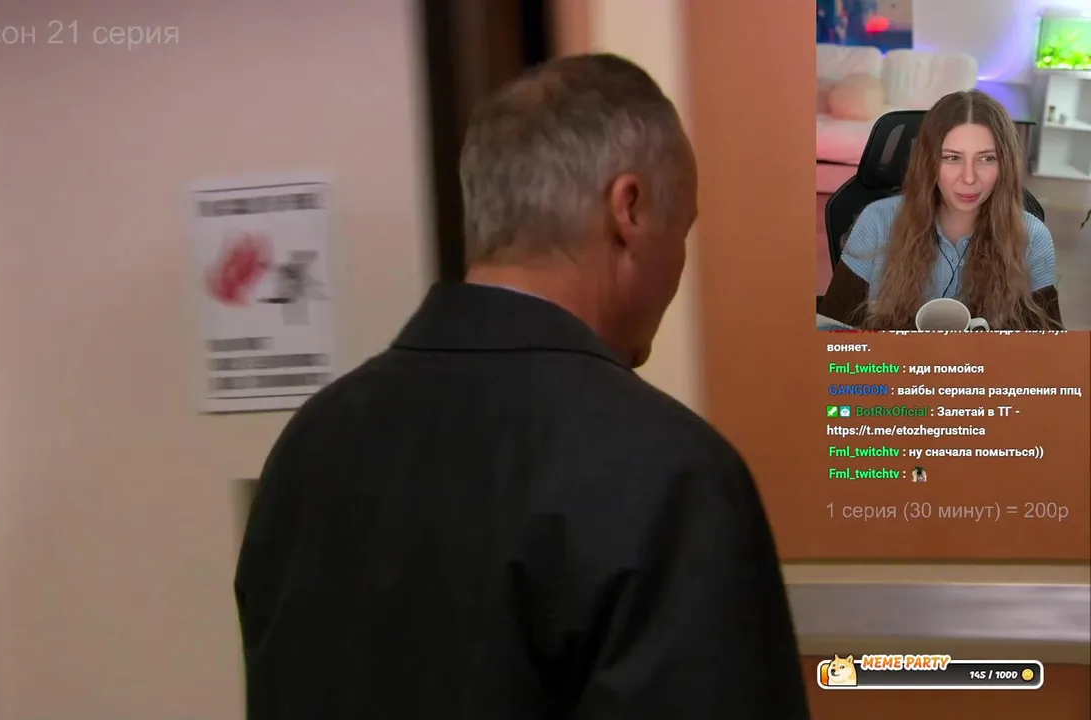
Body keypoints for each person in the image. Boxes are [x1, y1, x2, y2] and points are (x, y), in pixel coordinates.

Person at [235, 54, 809, 719]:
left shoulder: (310, 447)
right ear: (629, 209)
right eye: (681, 229)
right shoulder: (671, 473)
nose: (678, 263)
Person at [819, 90, 1062, 330]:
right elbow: (831, 334)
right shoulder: (876, 222)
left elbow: (1050, 348)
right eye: (952, 158)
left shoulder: (1033, 237)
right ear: (929, 162)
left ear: (1005, 164)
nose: (969, 178)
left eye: (986, 158)